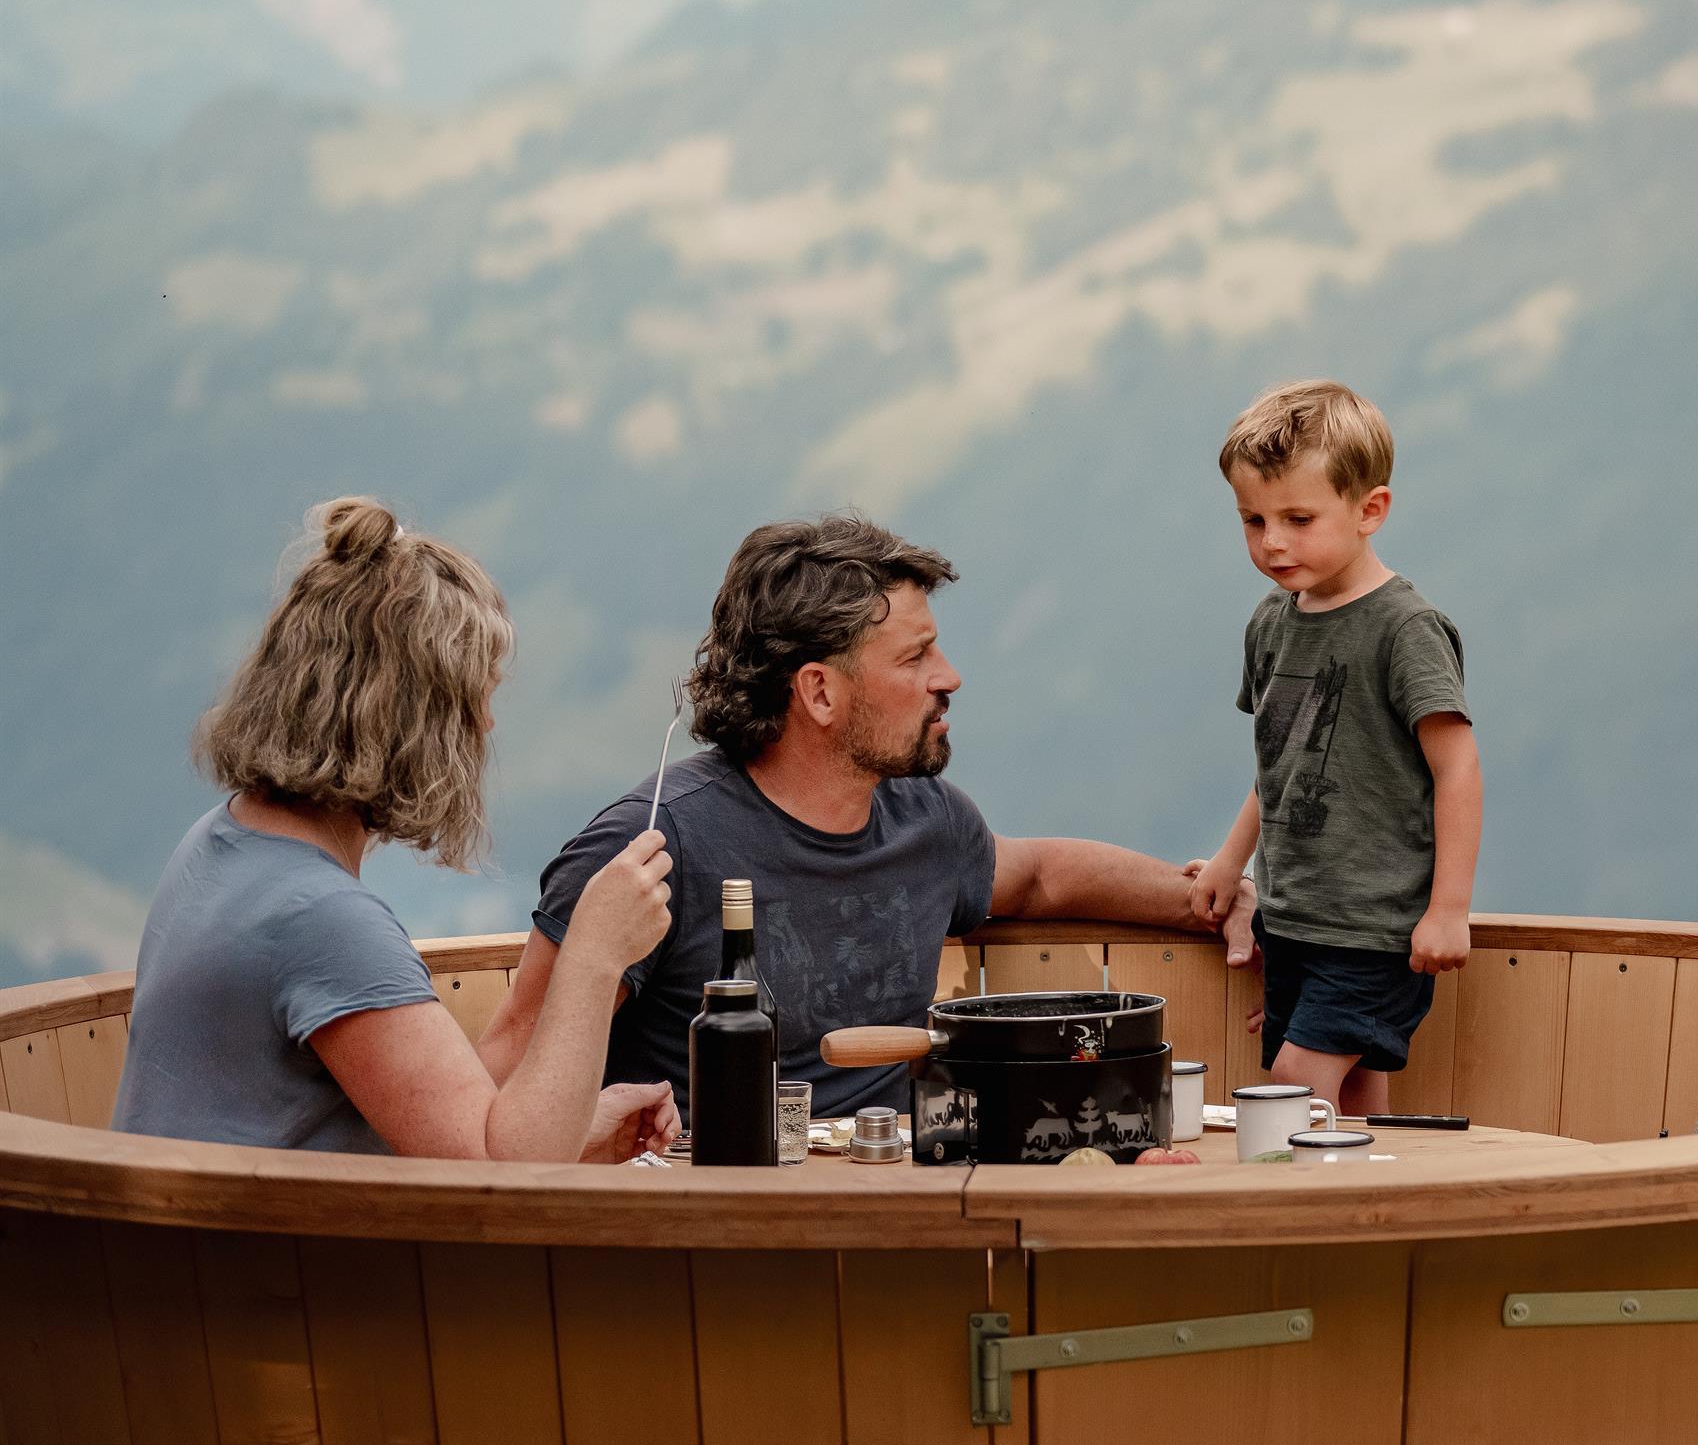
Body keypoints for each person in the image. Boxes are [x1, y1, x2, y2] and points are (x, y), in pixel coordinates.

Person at [510, 514, 1206, 1125]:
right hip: (713, 1231)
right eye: (915, 655)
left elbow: (1039, 878)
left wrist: (1211, 902)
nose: (950, 676)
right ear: (819, 691)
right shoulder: (655, 846)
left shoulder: (929, 820)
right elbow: (507, 1069)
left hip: (899, 1209)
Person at [110, 498, 677, 1162]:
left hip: (194, 1255)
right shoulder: (320, 917)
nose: (487, 725)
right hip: (264, 1264)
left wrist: (573, 1122)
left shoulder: (221, 842)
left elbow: (430, 1121)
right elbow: (502, 1179)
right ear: (412, 716)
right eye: (476, 698)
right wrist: (595, 954)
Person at [1184, 381, 1479, 1117]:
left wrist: (1448, 908)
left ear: (1370, 510)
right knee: (1352, 1096)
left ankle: (1281, 1229)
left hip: (1375, 926)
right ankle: (1367, 1223)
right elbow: (1278, 764)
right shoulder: (1270, 624)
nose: (1272, 541)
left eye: (1298, 518)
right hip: (1293, 921)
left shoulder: (1405, 630)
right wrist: (1230, 859)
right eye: (1253, 519)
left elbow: (1458, 769)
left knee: (1292, 1085)